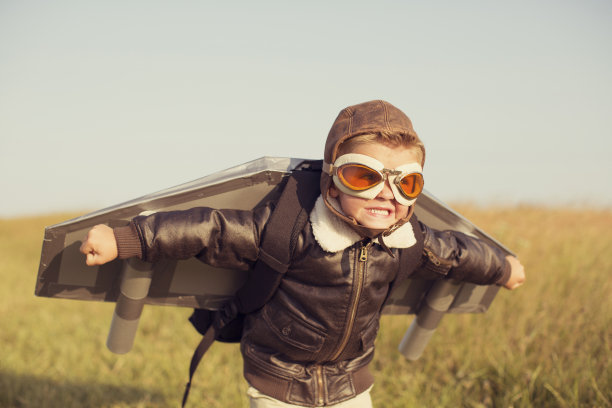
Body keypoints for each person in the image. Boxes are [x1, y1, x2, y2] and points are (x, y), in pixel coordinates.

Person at [80, 100, 525, 407]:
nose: (385, 195)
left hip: (352, 378)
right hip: (278, 377)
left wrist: (501, 266)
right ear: (332, 181)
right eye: (362, 176)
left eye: (405, 183)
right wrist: (125, 239)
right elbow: (208, 229)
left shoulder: (407, 241)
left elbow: (458, 254)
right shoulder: (287, 230)